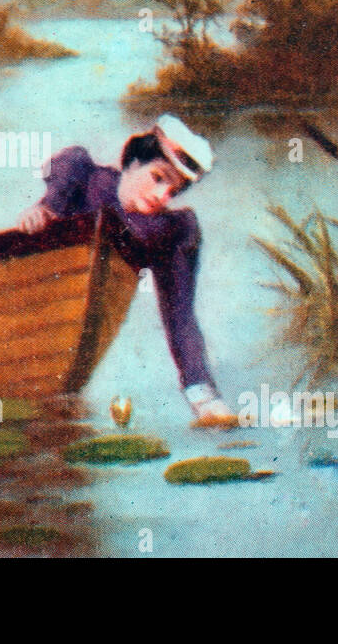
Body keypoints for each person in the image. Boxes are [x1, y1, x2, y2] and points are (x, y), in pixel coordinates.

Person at [16, 114, 237, 427]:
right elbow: (69, 160)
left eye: (173, 192)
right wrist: (45, 208)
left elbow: (180, 315)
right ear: (133, 163)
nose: (162, 197)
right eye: (159, 178)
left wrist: (204, 398)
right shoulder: (88, 179)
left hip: (64, 344)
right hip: (31, 311)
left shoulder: (162, 231)